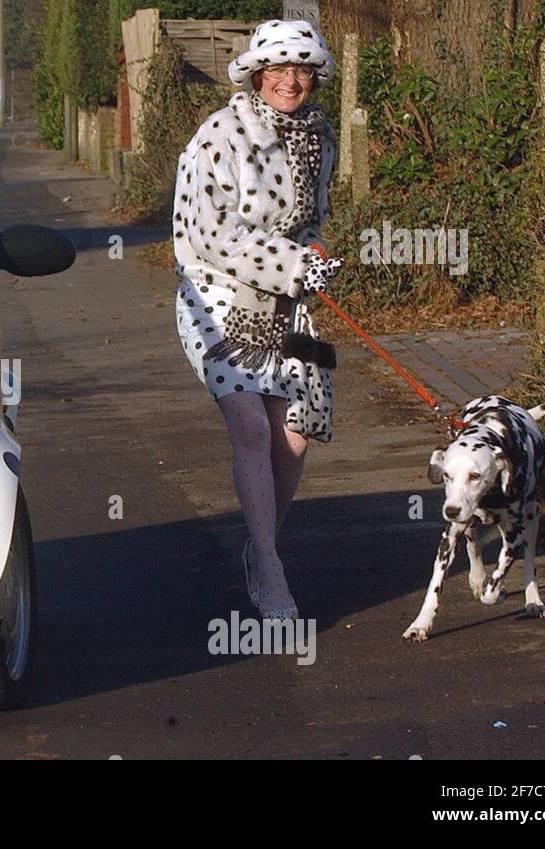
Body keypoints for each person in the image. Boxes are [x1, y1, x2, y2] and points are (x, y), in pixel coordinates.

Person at [172, 20, 345, 620]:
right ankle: (271, 570)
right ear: (257, 74)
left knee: (292, 438)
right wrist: (295, 262)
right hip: (216, 297)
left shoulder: (319, 139)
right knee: (251, 425)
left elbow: (313, 221)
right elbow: (210, 234)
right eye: (279, 70)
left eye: (302, 71)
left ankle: (259, 544)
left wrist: (317, 252)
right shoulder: (219, 134)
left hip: (287, 300)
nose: (290, 82)